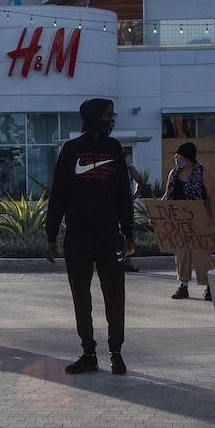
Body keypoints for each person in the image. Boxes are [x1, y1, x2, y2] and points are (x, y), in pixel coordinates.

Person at [45, 99, 135, 375]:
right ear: (95, 117)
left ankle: (116, 353)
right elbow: (58, 195)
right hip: (78, 237)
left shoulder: (114, 148)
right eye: (108, 115)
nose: (112, 119)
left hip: (108, 235)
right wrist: (51, 236)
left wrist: (128, 232)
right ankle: (88, 353)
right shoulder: (71, 150)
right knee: (81, 298)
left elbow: (123, 194)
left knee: (114, 296)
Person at [162, 141, 214, 300]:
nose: (176, 158)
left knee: (201, 254)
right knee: (181, 254)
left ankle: (209, 287)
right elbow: (167, 196)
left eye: (179, 155)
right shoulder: (174, 173)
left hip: (198, 220)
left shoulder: (202, 173)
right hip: (179, 222)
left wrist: (211, 221)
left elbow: (211, 198)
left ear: (187, 157)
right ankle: (183, 285)